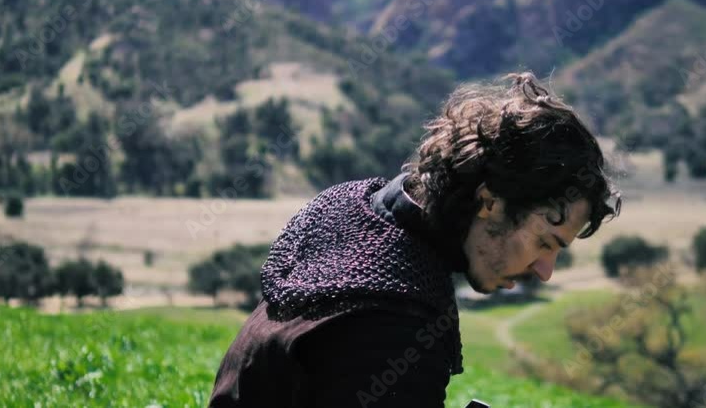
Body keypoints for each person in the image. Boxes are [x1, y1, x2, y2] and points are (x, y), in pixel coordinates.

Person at [208, 72, 621, 407]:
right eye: (546, 243)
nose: (544, 272)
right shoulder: (400, 319)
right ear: (490, 202)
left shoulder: (347, 204)